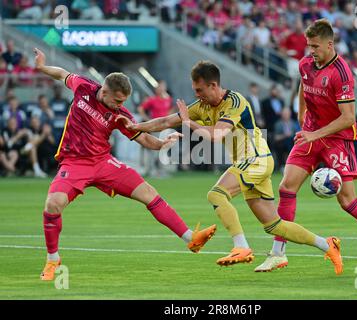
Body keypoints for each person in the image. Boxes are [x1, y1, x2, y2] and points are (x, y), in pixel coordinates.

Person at [117, 60, 344, 275]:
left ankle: (241, 247)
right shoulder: (202, 106)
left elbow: (216, 135)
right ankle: (327, 244)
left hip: (256, 158)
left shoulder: (235, 102)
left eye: (199, 90)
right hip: (248, 162)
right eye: (195, 90)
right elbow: (166, 122)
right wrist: (134, 126)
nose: (196, 95)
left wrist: (189, 123)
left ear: (213, 85)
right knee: (274, 225)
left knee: (216, 194)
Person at [33, 48, 217, 281]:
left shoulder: (120, 114)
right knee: (52, 204)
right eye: (118, 100)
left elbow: (142, 138)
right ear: (105, 91)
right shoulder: (83, 87)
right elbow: (61, 74)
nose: (120, 105)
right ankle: (52, 260)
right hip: (75, 162)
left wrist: (161, 144)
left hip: (103, 162)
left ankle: (191, 238)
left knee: (148, 193)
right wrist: (41, 67)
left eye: (123, 102)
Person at [255, 19, 357, 272]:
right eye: (308, 45)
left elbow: (348, 118)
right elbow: (303, 87)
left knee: (347, 201)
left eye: (315, 46)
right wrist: (303, 120)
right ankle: (278, 252)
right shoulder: (305, 64)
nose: (311, 50)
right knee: (286, 187)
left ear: (330, 43)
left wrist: (315, 135)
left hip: (338, 138)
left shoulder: (342, 73)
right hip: (312, 134)